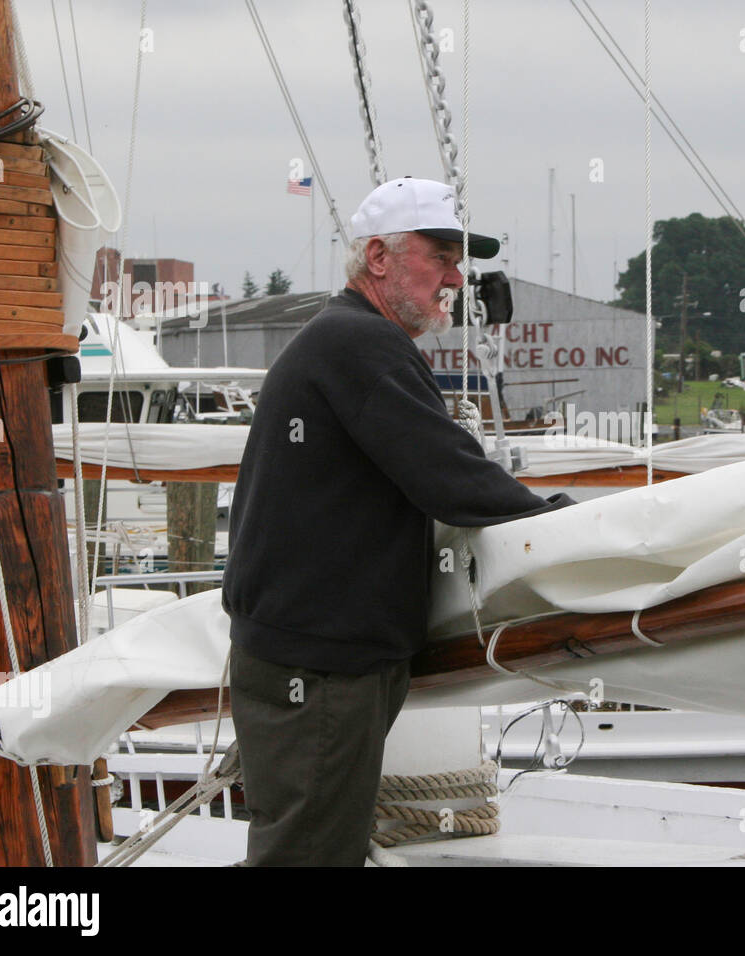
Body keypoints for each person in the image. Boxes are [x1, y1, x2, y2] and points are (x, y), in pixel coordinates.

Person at [221, 177, 574, 866]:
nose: (455, 275)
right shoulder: (362, 346)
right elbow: (452, 478)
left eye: (456, 259)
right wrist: (563, 528)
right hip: (321, 665)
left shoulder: (340, 338)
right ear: (378, 259)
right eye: (439, 255)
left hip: (307, 651)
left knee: (305, 844)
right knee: (311, 856)